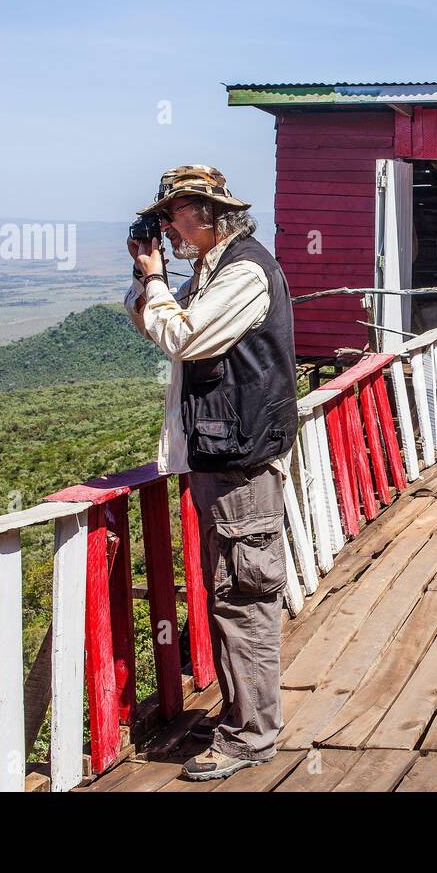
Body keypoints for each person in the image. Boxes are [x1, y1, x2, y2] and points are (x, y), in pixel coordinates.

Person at [124, 165, 297, 781]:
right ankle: (243, 718)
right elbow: (156, 327)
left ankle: (251, 735)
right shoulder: (210, 271)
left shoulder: (245, 270)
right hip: (220, 460)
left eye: (171, 216)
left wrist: (154, 279)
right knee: (227, 592)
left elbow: (186, 340)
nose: (165, 228)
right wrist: (148, 281)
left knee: (242, 597)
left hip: (240, 463)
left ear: (206, 212)